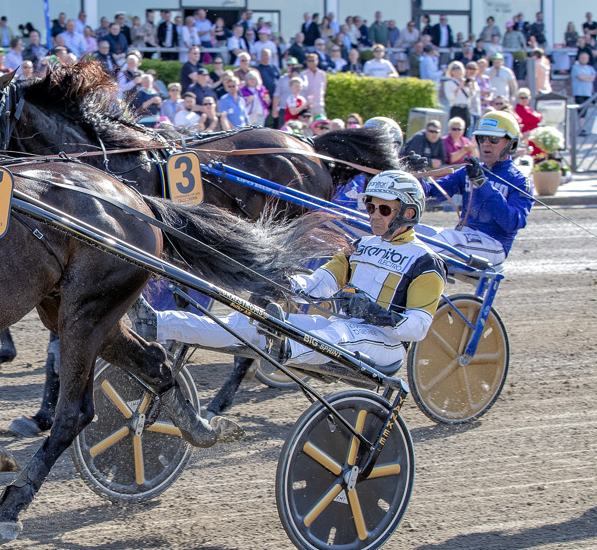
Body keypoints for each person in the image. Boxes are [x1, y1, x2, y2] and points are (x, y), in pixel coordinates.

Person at [134, 171, 445, 373]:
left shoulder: (424, 260)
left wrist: (378, 314)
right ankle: (159, 323)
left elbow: (418, 327)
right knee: (245, 324)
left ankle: (284, 346)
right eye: (371, 208)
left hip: (384, 344)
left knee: (335, 333)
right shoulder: (360, 246)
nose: (375, 215)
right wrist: (286, 281)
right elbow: (320, 284)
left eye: (384, 209)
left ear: (409, 213)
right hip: (342, 332)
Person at [424, 111, 533, 266]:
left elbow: (512, 222)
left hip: (494, 245)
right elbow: (433, 193)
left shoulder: (519, 180)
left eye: (494, 139)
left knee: (449, 238)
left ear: (511, 144)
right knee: (416, 234)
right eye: (482, 138)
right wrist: (418, 178)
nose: (486, 143)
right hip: (465, 239)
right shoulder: (469, 171)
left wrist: (484, 185)